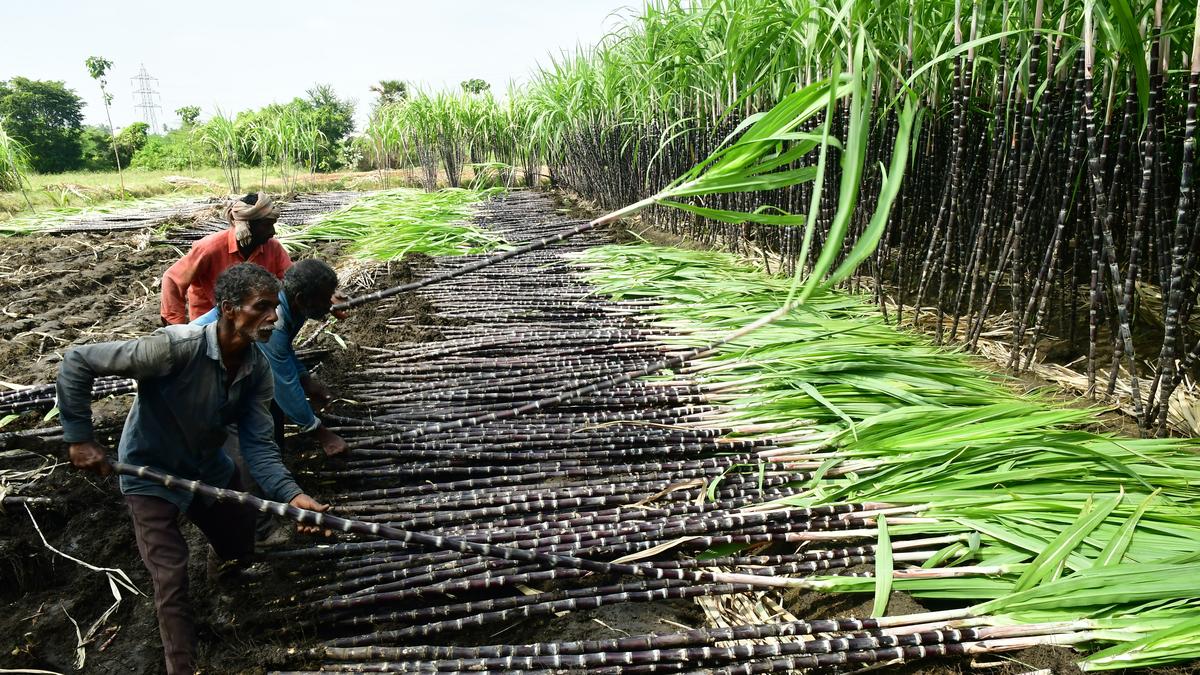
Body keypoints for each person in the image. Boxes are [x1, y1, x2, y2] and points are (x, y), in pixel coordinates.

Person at [57, 263, 328, 675]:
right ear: (229, 309)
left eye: (275, 307)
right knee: (170, 575)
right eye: (262, 307)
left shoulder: (257, 370)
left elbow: (259, 446)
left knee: (239, 542)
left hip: (208, 467)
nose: (274, 317)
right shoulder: (174, 347)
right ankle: (181, 665)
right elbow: (78, 360)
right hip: (149, 470)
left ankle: (225, 572)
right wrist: (79, 438)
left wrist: (292, 495)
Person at [194, 258, 348, 457]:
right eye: (325, 299)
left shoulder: (295, 307)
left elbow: (284, 351)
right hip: (200, 371)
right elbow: (283, 383)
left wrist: (306, 380)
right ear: (301, 299)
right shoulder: (275, 321)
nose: (329, 305)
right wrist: (321, 433)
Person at [160, 192, 292, 325]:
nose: (272, 232)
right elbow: (172, 279)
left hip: (251, 322)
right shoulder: (210, 248)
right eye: (267, 225)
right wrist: (176, 325)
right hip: (210, 323)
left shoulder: (273, 248)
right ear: (247, 225)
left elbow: (290, 281)